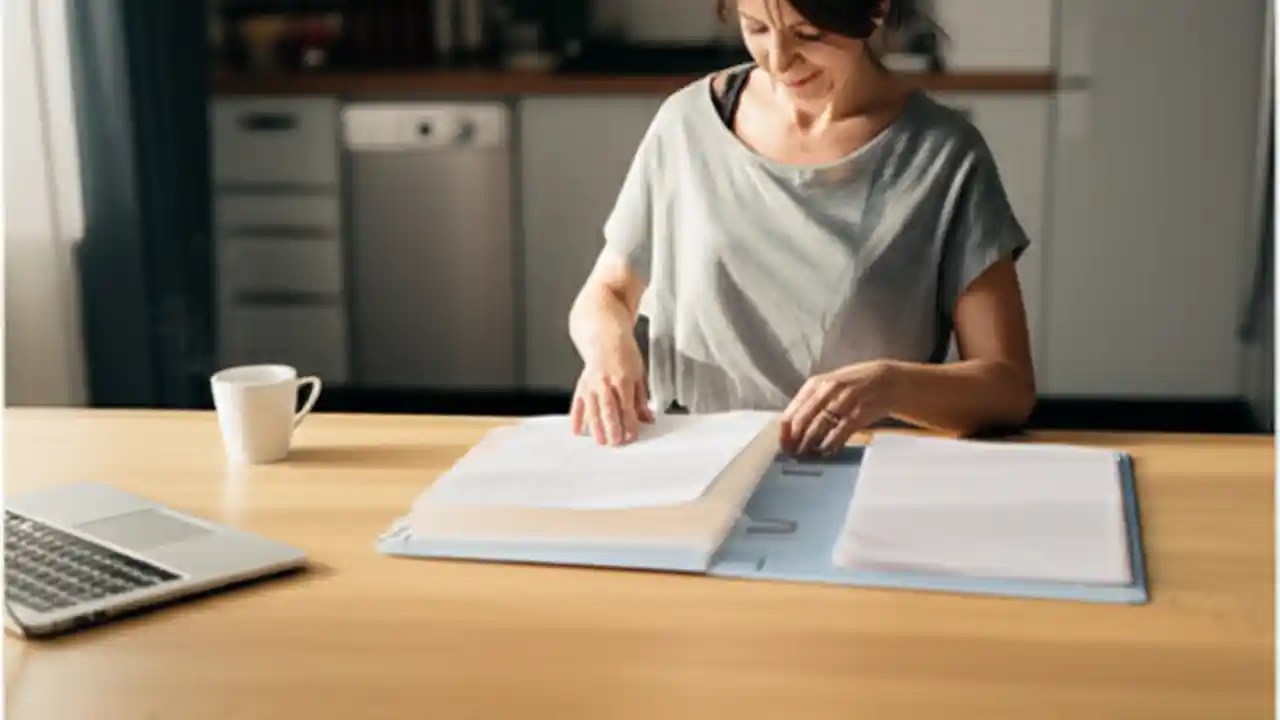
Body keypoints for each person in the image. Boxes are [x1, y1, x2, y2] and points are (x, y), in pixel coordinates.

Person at [567, 0, 1036, 456]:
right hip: (692, 465)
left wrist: (889, 385)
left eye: (808, 34)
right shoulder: (686, 124)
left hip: (859, 475)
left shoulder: (945, 157)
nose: (778, 60)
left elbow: (1007, 387)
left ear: (874, 9)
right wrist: (607, 348)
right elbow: (608, 291)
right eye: (756, 28)